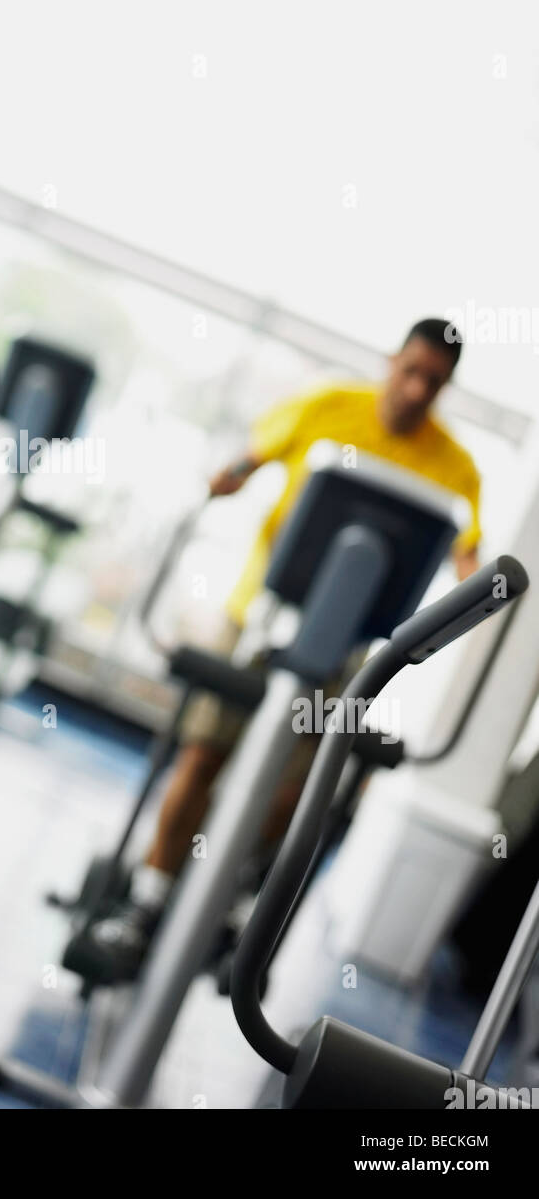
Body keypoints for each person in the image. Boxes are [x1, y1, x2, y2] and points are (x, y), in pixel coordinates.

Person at [84, 318, 482, 983]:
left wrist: (480, 590)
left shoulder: (456, 466)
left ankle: (227, 902)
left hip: (348, 650)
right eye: (410, 371)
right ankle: (149, 903)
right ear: (392, 360)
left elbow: (466, 553)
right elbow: (251, 457)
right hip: (260, 615)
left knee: (295, 791)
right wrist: (230, 474)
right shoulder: (329, 406)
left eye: (432, 383)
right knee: (202, 755)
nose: (416, 390)